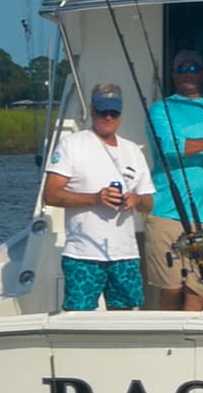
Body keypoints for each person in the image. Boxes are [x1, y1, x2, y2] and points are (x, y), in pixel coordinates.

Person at [44, 84, 155, 311]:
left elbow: (149, 202)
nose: (108, 117)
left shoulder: (133, 150)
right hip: (83, 254)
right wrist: (95, 198)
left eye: (113, 112)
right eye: (102, 111)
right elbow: (51, 195)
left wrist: (136, 200)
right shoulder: (71, 145)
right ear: (92, 110)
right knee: (78, 315)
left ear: (120, 114)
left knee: (126, 316)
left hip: (125, 254)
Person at [145, 51, 203, 309]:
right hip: (165, 212)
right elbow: (166, 147)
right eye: (181, 69)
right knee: (172, 287)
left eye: (194, 68)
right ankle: (166, 345)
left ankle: (190, 345)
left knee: (198, 289)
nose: (188, 74)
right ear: (174, 76)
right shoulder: (161, 109)